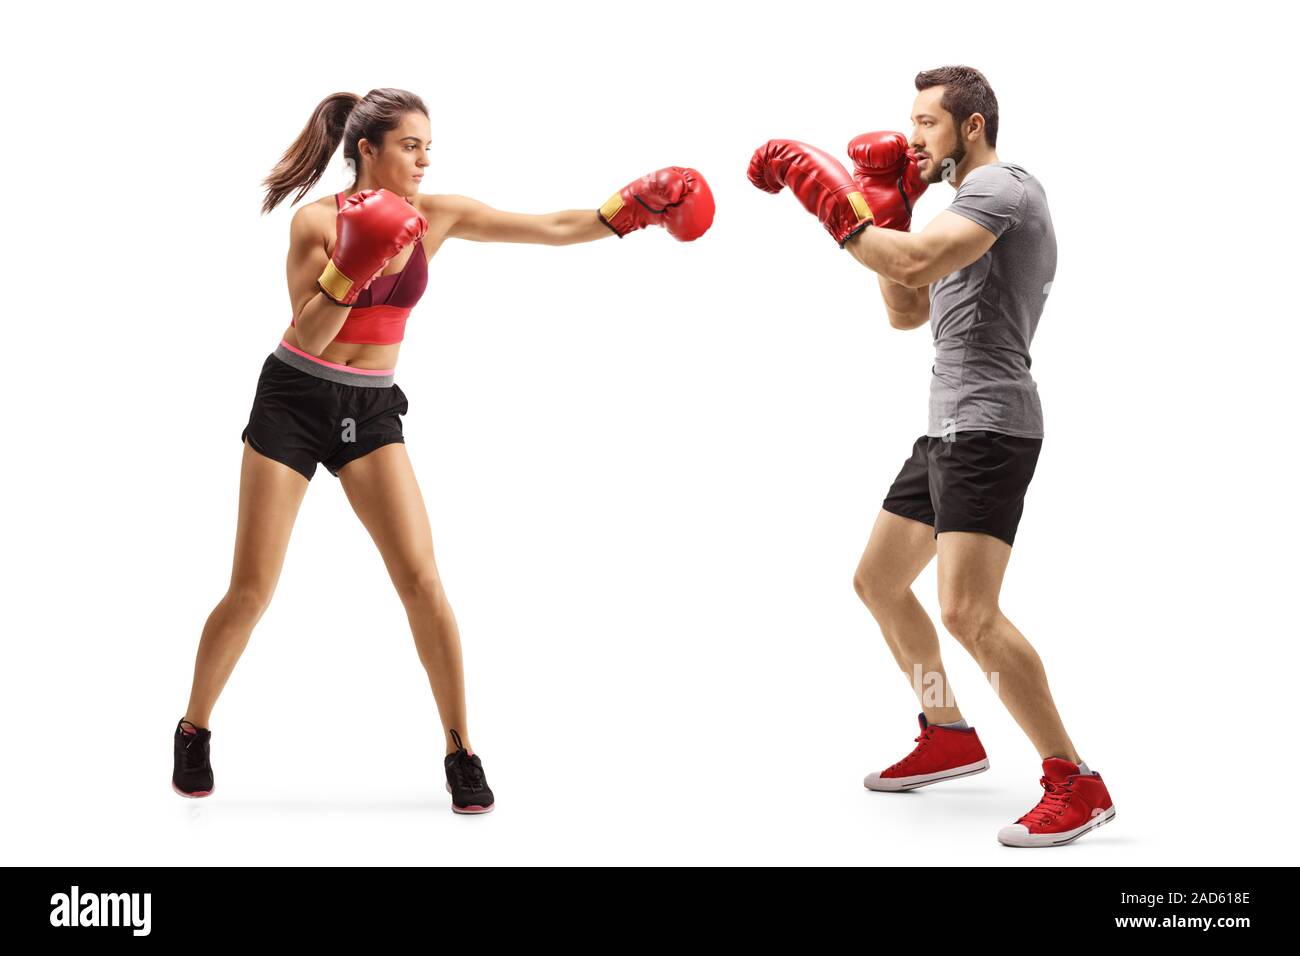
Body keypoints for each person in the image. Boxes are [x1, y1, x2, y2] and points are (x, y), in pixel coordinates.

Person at [173, 87, 714, 813]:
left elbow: (551, 226)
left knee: (423, 582)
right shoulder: (315, 222)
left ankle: (461, 749)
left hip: (370, 410)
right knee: (253, 589)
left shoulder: (440, 216)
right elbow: (309, 339)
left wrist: (631, 208)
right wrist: (355, 264)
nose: (424, 160)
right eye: (410, 145)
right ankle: (193, 727)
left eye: (430, 147)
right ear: (367, 149)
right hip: (295, 400)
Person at [747, 66, 1114, 847]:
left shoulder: (1003, 192)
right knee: (878, 581)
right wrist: (893, 213)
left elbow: (908, 265)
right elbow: (905, 309)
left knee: (966, 612)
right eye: (910, 123)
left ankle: (1075, 781)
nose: (913, 137)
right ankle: (949, 733)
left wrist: (837, 212)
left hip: (990, 429)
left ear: (972, 126)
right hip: (946, 427)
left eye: (927, 123)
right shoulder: (952, 209)